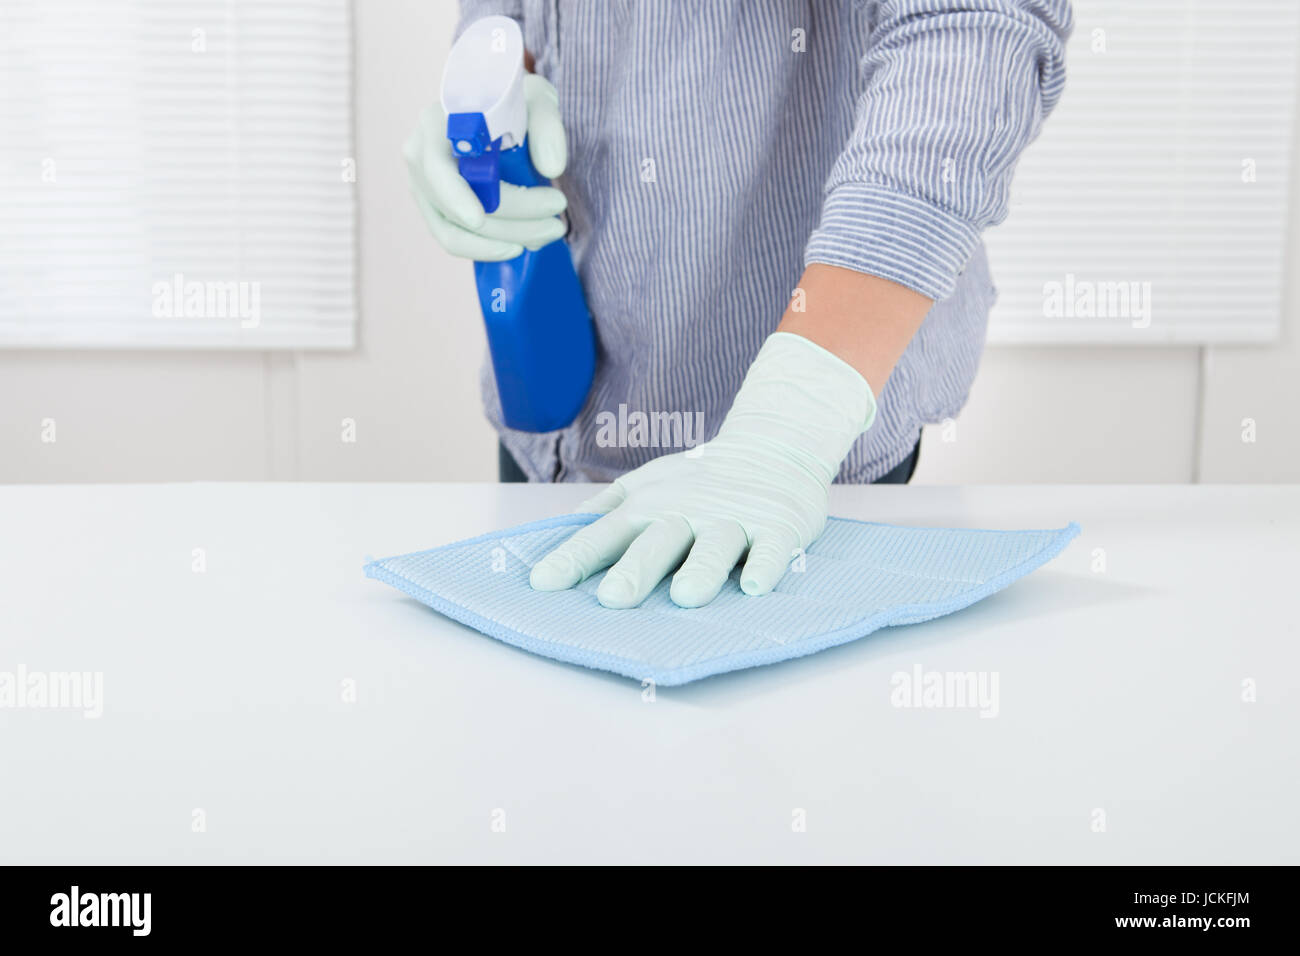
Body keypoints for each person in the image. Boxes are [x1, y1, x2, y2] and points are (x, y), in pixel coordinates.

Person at [406, 0, 1072, 609]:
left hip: (791, 451)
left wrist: (794, 419)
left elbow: (965, 42)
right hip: (550, 406)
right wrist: (489, 75)